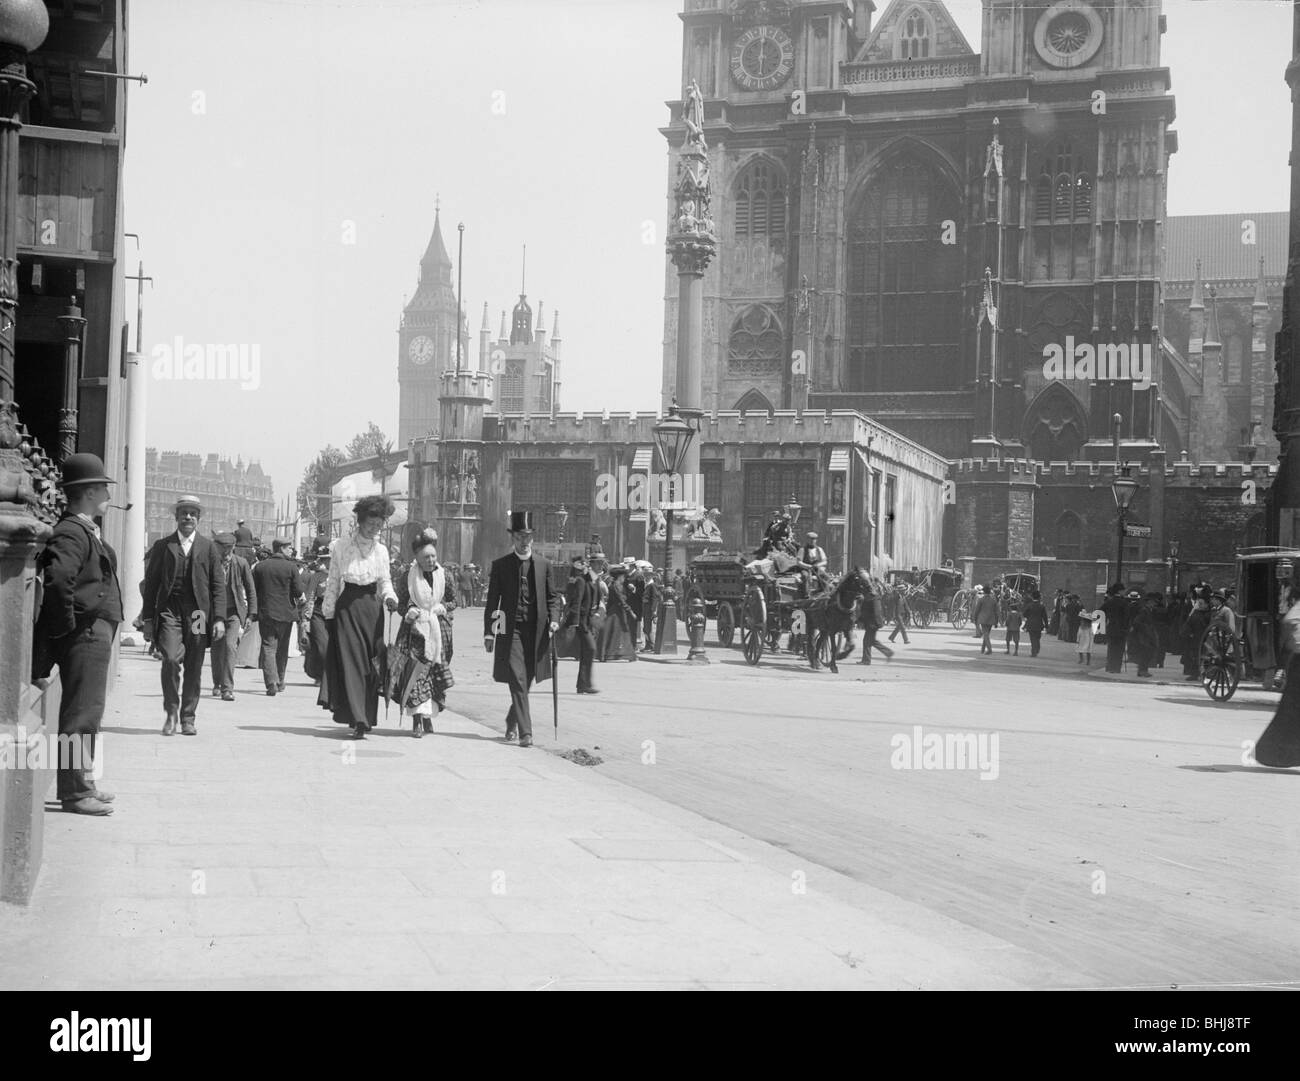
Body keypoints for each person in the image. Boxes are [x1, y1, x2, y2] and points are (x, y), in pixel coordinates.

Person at [32, 454, 123, 815]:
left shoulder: (84, 529)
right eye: (102, 487)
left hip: (93, 633)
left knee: (88, 712)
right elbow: (57, 581)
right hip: (85, 635)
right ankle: (74, 792)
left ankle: (82, 782)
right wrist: (71, 626)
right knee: (80, 714)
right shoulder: (72, 531)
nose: (106, 493)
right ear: (87, 493)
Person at [141, 495, 226, 736]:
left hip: (198, 614)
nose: (188, 517)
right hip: (170, 611)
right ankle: (171, 713)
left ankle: (188, 717)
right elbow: (152, 585)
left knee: (194, 664)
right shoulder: (163, 546)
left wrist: (218, 618)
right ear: (176, 517)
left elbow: (218, 586)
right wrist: (148, 619)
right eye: (183, 513)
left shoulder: (208, 548)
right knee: (169, 658)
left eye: (192, 513)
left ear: (198, 519)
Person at [318, 495, 400, 739]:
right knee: (351, 663)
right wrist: (329, 612)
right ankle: (358, 719)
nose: (375, 529)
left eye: (379, 525)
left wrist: (390, 598)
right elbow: (333, 581)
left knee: (370, 666)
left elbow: (385, 581)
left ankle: (366, 714)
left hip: (373, 611)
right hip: (347, 610)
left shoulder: (382, 550)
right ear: (361, 521)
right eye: (371, 524)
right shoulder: (341, 546)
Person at [483, 510, 564, 747]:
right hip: (512, 631)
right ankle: (526, 732)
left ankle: (512, 719)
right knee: (517, 679)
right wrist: (490, 632)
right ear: (513, 538)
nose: (524, 541)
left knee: (526, 680)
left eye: (528, 536)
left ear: (532, 537)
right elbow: (493, 603)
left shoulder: (544, 565)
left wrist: (555, 619)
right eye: (519, 536)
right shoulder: (501, 566)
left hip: (537, 631)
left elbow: (552, 597)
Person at [397, 529, 456, 737]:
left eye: (433, 556)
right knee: (416, 673)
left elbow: (453, 600)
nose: (431, 560)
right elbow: (400, 605)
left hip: (439, 631)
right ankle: (417, 721)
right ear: (417, 559)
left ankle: (428, 717)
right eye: (426, 557)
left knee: (433, 675)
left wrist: (443, 607)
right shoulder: (407, 577)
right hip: (414, 633)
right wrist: (409, 611)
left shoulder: (445, 575)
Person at [252, 538, 303, 696]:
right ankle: (280, 680)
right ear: (281, 548)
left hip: (266, 613)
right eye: (288, 548)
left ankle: (271, 683)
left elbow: (253, 590)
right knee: (282, 649)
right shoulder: (291, 567)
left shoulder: (260, 567)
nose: (290, 551)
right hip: (286, 614)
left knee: (268, 647)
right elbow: (298, 590)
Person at [211, 532, 257, 701]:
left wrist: (251, 615)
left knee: (230, 646)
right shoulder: (210, 562)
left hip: (234, 613)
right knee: (216, 649)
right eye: (223, 548)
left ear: (232, 547)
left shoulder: (241, 563)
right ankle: (217, 683)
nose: (227, 552)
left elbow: (250, 589)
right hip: (214, 613)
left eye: (229, 548)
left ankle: (227, 688)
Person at [564, 554, 599, 694]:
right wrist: (576, 622)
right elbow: (577, 601)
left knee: (587, 651)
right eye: (584, 565)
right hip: (582, 622)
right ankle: (584, 684)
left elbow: (596, 586)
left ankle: (583, 685)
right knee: (590, 649)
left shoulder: (590, 580)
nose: (587, 567)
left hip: (588, 621)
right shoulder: (580, 581)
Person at [301, 545, 331, 685]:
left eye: (330, 559)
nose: (327, 562)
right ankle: (320, 674)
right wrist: (306, 617)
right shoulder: (317, 576)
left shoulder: (343, 576)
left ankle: (332, 676)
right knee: (321, 645)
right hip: (319, 612)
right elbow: (311, 596)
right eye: (325, 560)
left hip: (336, 614)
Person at [1127, 591, 1159, 678]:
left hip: (1147, 635)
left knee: (1147, 653)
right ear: (1149, 602)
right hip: (1144, 636)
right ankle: (1143, 670)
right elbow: (1137, 622)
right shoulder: (1144, 611)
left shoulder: (1148, 610)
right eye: (1153, 602)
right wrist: (1146, 628)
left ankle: (1142, 670)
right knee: (1146, 653)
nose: (1154, 604)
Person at [1100, 583, 1130, 674]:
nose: (1124, 592)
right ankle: (1116, 668)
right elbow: (1127, 617)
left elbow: (1100, 612)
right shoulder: (1124, 603)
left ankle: (1110, 667)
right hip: (1121, 629)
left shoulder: (1109, 602)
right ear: (1119, 591)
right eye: (1123, 590)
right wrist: (1127, 628)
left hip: (1111, 628)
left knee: (1111, 649)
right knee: (1119, 650)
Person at [972, 584, 998, 655]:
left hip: (983, 619)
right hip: (991, 619)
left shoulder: (981, 599)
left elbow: (977, 610)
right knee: (986, 634)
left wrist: (975, 618)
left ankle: (989, 649)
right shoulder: (994, 600)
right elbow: (996, 611)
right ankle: (983, 649)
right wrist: (996, 621)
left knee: (985, 634)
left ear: (984, 592)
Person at [1022, 590, 1048, 658]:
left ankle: (1034, 651)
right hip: (1039, 624)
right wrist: (1047, 625)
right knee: (1037, 637)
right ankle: (1037, 648)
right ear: (1039, 597)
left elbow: (1024, 614)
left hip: (1030, 624)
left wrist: (1029, 617)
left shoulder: (1029, 605)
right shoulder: (1042, 606)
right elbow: (1045, 617)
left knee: (1032, 638)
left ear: (1032, 597)